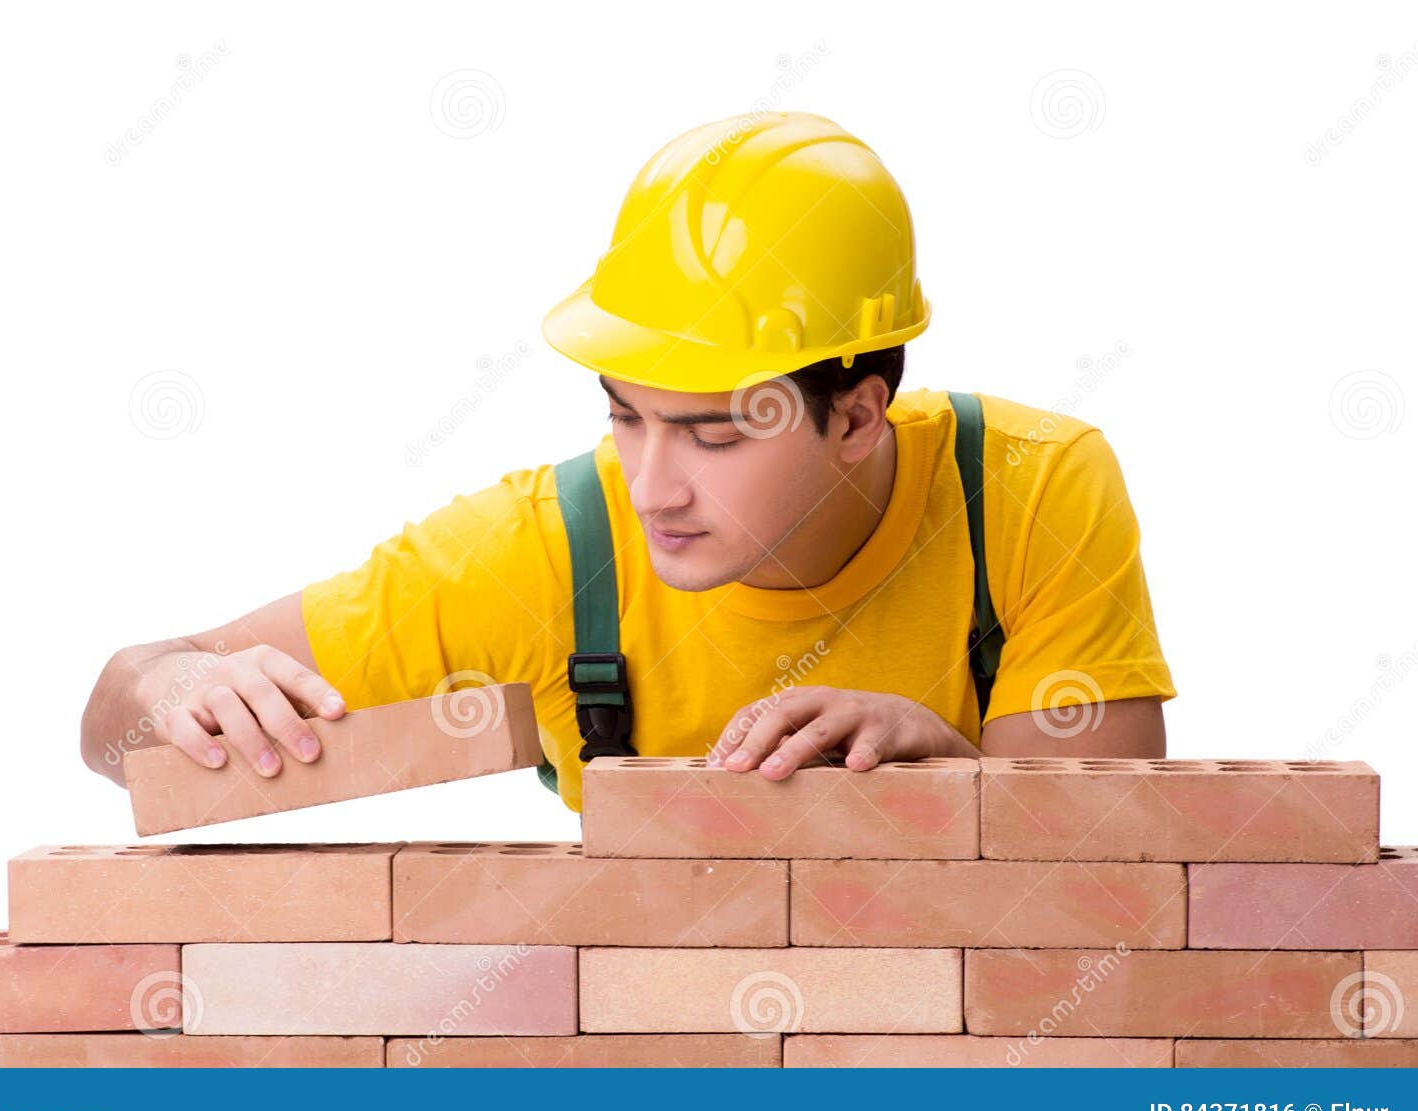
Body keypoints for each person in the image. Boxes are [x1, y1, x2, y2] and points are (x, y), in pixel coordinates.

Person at [80, 110, 1175, 813]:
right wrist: (176, 687)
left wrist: (947, 774)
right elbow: (116, 723)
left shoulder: (1027, 493)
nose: (652, 487)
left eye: (713, 433)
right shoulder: (545, 554)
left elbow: (1116, 888)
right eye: (627, 417)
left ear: (856, 415)